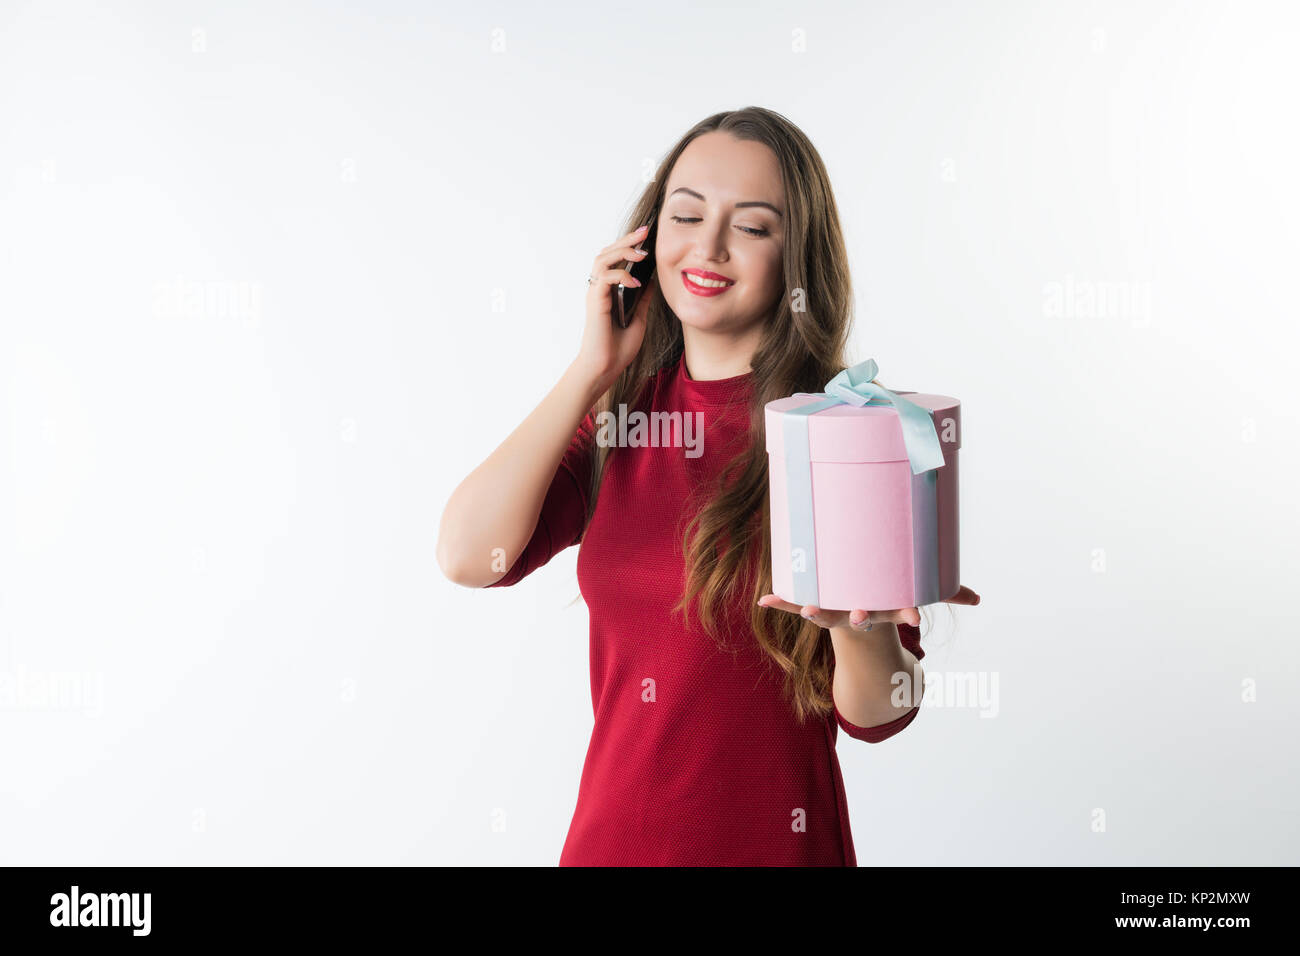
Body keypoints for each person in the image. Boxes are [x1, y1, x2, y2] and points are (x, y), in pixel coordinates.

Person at [437, 106, 980, 866]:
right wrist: (591, 369)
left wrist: (858, 630)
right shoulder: (625, 420)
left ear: (798, 257)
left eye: (752, 226)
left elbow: (880, 714)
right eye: (687, 215)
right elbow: (468, 556)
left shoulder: (851, 430)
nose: (709, 246)